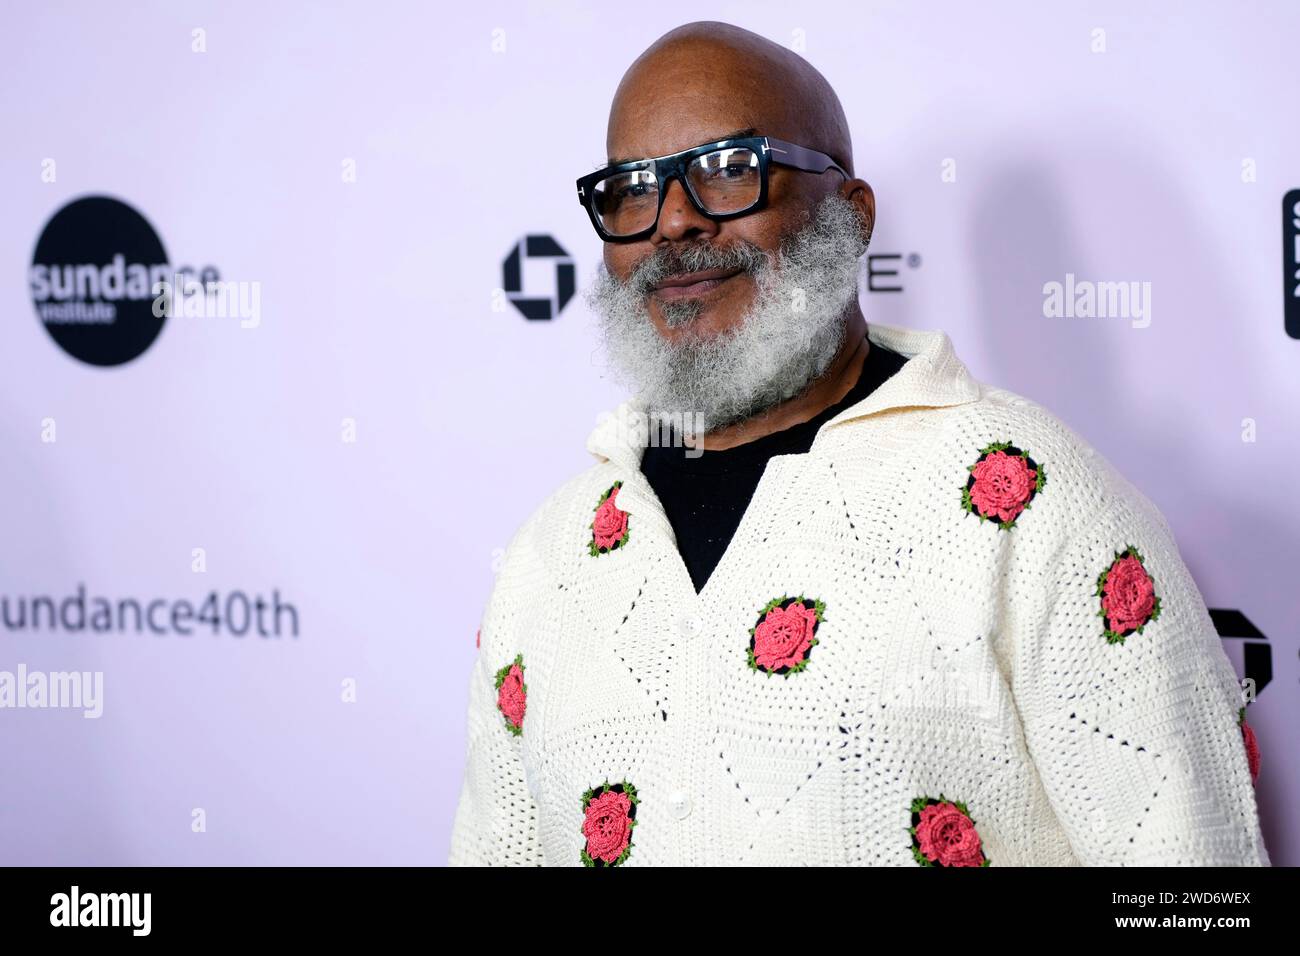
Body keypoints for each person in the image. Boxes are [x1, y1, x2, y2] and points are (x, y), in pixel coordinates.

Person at [449, 20, 1268, 866]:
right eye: (632, 189)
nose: (674, 222)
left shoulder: (1032, 499)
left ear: (851, 213)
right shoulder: (550, 556)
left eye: (731, 170)